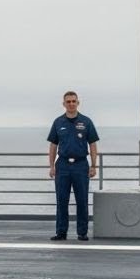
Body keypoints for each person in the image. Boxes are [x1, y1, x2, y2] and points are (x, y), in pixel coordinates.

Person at [47, 91, 100, 241]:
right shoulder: (58, 122)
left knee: (82, 200)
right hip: (62, 165)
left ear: (78, 103)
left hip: (81, 165)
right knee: (61, 200)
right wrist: (51, 166)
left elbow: (93, 144)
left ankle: (82, 232)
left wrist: (94, 166)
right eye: (68, 101)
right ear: (64, 104)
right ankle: (61, 232)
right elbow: (53, 145)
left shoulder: (86, 122)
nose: (71, 104)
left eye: (73, 101)